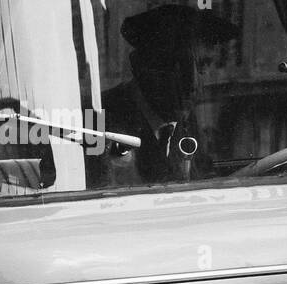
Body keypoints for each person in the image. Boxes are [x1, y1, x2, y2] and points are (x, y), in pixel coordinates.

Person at [100, 4, 240, 185]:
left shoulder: (184, 121)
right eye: (187, 66)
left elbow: (203, 177)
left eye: (205, 66)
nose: (196, 84)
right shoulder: (102, 116)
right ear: (152, 66)